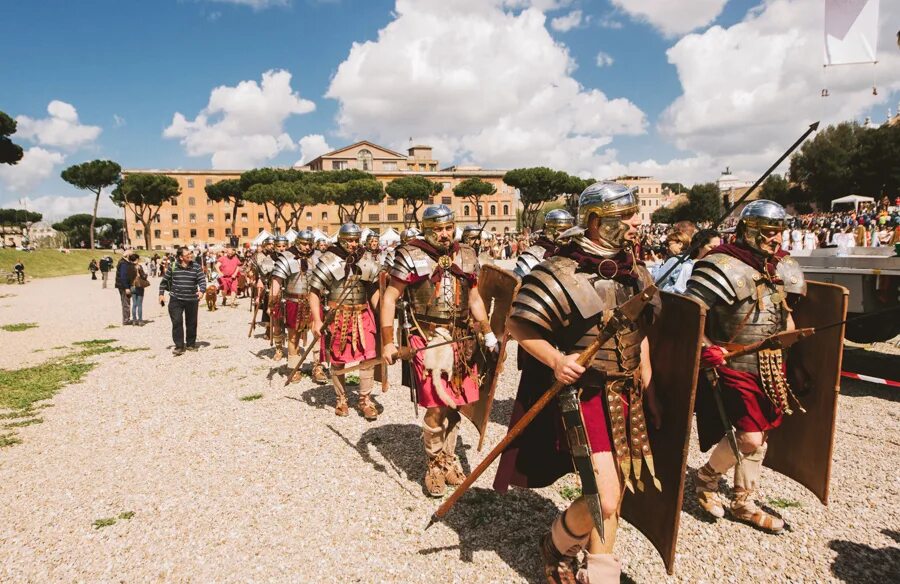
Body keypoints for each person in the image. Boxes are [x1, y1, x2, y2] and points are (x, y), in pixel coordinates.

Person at [494, 181, 661, 582]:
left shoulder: (636, 271)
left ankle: (599, 574)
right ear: (596, 221)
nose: (637, 221)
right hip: (583, 395)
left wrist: (645, 367)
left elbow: (642, 327)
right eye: (627, 216)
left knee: (613, 490)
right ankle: (557, 543)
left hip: (625, 393)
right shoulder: (561, 271)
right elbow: (516, 323)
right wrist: (555, 359)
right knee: (603, 496)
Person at [686, 200, 805, 534]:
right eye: (768, 232)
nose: (775, 239)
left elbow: (784, 312)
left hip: (769, 363)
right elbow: (689, 317)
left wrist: (792, 338)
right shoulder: (719, 264)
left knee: (761, 434)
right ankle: (706, 478)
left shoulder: (781, 266)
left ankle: (743, 501)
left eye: (779, 231)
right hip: (732, 362)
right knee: (751, 436)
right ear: (748, 230)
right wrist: (708, 349)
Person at [382, 204, 497, 496]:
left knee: (456, 401)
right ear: (427, 230)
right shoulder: (410, 254)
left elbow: (474, 298)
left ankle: (448, 457)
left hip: (461, 338)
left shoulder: (466, 255)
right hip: (427, 337)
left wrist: (487, 331)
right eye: (437, 229)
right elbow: (389, 298)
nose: (444, 235)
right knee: (435, 405)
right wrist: (386, 341)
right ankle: (434, 462)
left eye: (448, 228)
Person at [308, 223, 383, 420]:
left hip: (362, 314)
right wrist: (317, 320)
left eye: (356, 240)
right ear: (341, 239)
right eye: (349, 240)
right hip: (338, 316)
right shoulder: (328, 259)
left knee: (369, 357)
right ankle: (341, 398)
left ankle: (365, 399)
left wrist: (381, 314)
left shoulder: (365, 258)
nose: (353, 244)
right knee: (338, 360)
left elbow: (373, 289)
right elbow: (314, 292)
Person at [271, 230, 324, 383]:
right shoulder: (287, 257)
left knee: (318, 333)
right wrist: (273, 302)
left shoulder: (319, 257)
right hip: (294, 301)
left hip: (315, 300)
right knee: (293, 336)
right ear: (297, 242)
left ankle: (317, 367)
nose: (307, 247)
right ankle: (294, 368)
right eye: (304, 244)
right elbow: (276, 281)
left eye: (309, 244)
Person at [158, 247, 207, 356]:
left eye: (190, 253)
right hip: (176, 299)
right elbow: (164, 282)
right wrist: (161, 294)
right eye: (187, 254)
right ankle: (179, 346)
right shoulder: (173, 266)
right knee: (177, 322)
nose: (190, 255)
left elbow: (202, 280)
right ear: (181, 257)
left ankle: (190, 344)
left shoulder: (196, 267)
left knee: (191, 323)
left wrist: (202, 291)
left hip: (192, 299)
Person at [513, 209, 574, 279]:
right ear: (550, 230)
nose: (568, 234)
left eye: (569, 230)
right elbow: (518, 283)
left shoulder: (574, 253)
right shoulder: (533, 255)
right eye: (563, 230)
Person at [114, 254, 137, 325]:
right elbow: (123, 276)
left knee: (126, 302)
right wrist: (126, 287)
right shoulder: (123, 263)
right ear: (127, 256)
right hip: (123, 286)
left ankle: (126, 318)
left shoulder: (124, 262)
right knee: (126, 303)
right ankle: (126, 320)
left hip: (123, 285)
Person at [130, 256, 149, 325]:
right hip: (139, 286)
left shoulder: (129, 267)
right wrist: (145, 275)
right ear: (137, 259)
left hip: (132, 286)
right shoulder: (139, 266)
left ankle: (134, 320)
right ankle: (140, 320)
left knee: (134, 304)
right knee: (139, 304)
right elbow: (143, 276)